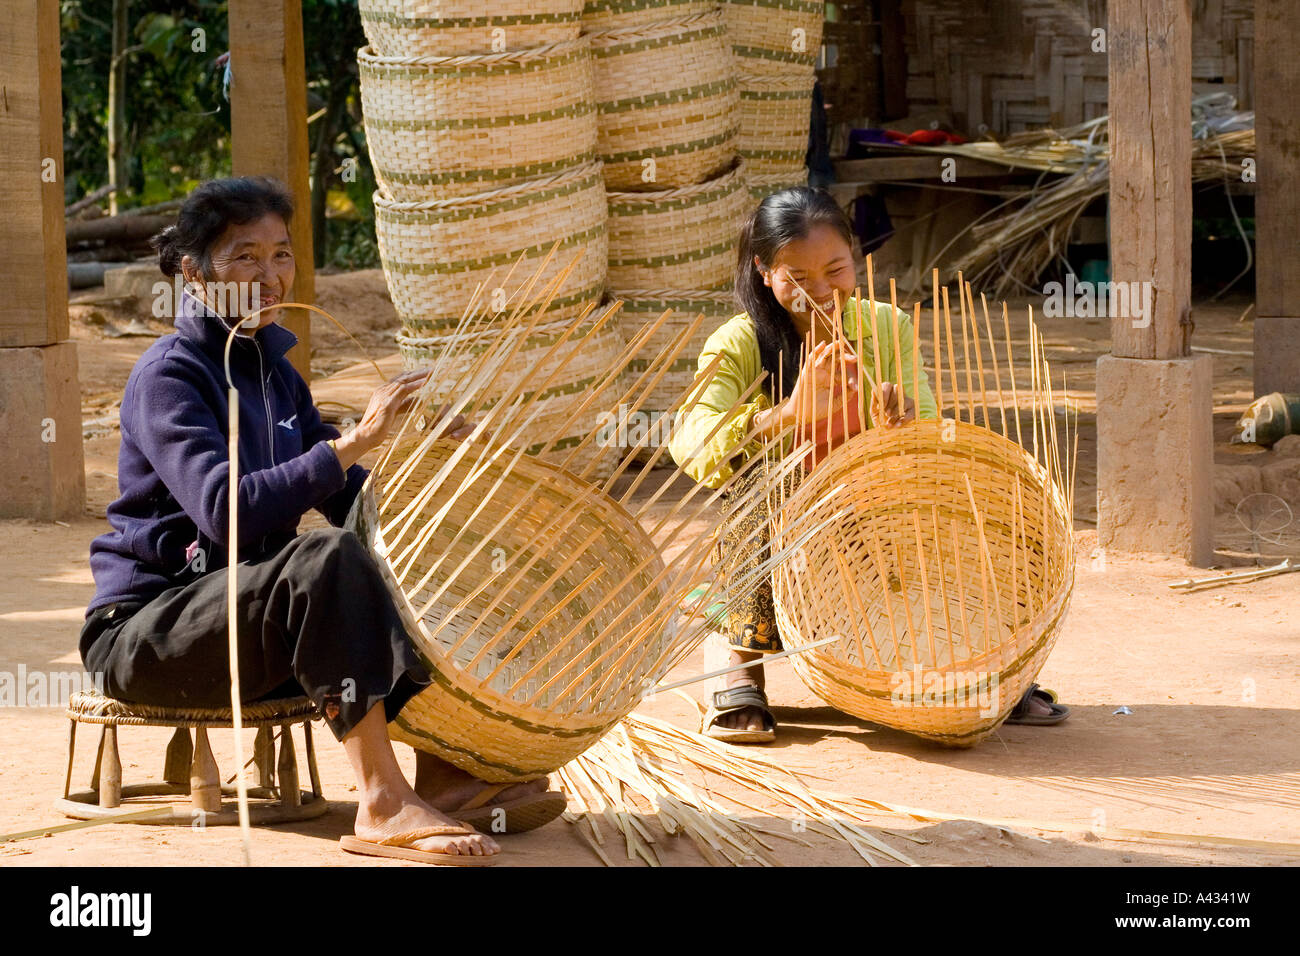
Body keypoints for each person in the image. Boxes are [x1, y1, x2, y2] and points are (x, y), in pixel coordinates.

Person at [81, 177, 565, 865]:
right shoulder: (171, 375)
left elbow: (358, 508)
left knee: (396, 562)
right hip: (150, 633)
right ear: (194, 273)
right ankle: (380, 800)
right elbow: (226, 513)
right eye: (243, 256)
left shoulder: (279, 377)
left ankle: (447, 776)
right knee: (327, 558)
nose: (270, 275)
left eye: (280, 255)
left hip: (253, 627)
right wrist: (352, 442)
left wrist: (431, 461)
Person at [668, 187, 1069, 742]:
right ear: (763, 271)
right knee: (755, 487)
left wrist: (900, 429)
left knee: (962, 493)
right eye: (798, 278)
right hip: (788, 525)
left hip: (875, 505)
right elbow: (690, 440)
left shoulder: (885, 327)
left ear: (854, 259)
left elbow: (932, 431)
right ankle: (742, 662)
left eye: (835, 270)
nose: (821, 292)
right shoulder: (740, 343)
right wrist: (787, 414)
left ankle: (985, 661)